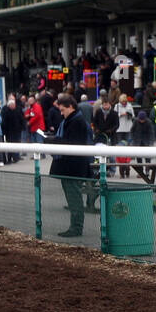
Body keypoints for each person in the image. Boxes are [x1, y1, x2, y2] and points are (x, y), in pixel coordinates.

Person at [46, 93, 94, 237]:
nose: (61, 113)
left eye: (62, 110)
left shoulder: (76, 121)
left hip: (73, 167)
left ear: (70, 107)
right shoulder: (75, 120)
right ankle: (75, 226)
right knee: (73, 197)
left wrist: (53, 140)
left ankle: (76, 227)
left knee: (74, 198)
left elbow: (72, 143)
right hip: (71, 166)